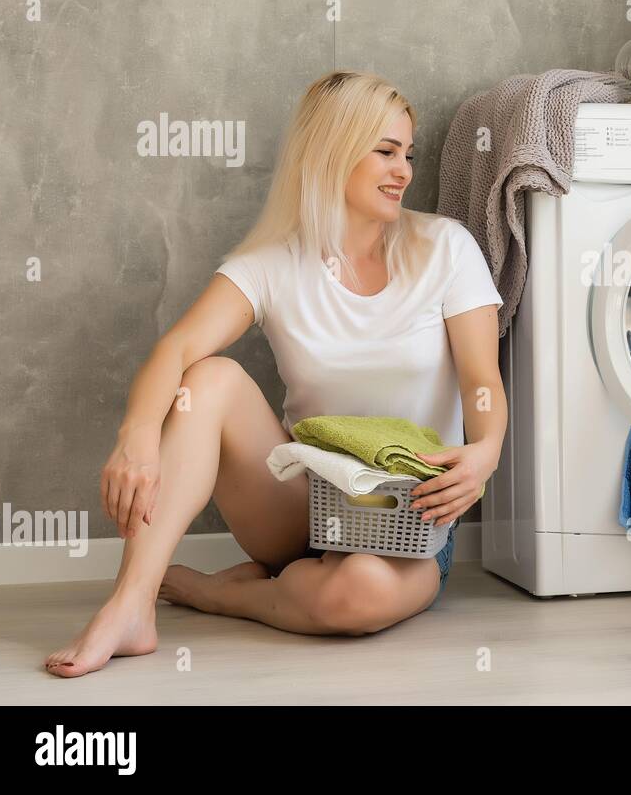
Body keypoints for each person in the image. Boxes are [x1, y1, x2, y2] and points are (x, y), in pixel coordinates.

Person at [45, 71, 506, 677]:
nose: (405, 171)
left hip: (406, 522)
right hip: (300, 510)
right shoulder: (272, 264)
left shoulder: (447, 248)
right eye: (387, 152)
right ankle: (131, 605)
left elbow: (481, 380)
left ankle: (224, 594)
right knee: (206, 379)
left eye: (409, 154)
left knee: (356, 594)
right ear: (334, 151)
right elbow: (177, 347)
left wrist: (485, 454)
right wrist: (136, 440)